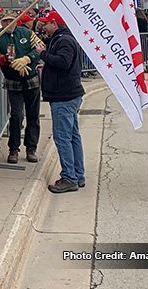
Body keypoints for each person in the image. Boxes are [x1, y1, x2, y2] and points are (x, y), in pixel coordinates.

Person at [37, 10, 85, 193]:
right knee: (73, 136)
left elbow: (64, 62)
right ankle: (77, 174)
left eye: (46, 23)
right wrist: (47, 64)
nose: (44, 26)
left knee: (63, 137)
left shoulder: (64, 40)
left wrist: (43, 54)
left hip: (64, 96)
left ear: (54, 24)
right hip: (68, 93)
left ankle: (69, 177)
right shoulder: (63, 39)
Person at [0, 13, 45, 164]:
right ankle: (13, 149)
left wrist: (28, 59)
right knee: (16, 116)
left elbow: (40, 47)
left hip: (31, 78)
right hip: (12, 80)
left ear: (15, 21)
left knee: (33, 115)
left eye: (10, 20)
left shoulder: (26, 33)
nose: (8, 23)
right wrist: (9, 61)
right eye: (4, 21)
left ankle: (31, 148)